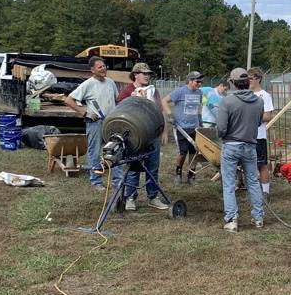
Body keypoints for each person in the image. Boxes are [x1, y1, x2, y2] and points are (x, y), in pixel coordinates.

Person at [115, 62, 169, 211]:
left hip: (153, 135)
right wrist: (132, 100)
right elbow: (119, 110)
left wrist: (164, 131)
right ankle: (130, 197)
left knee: (153, 168)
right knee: (133, 167)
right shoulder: (127, 91)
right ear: (135, 75)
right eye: (144, 73)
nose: (147, 76)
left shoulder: (153, 91)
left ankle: (153, 197)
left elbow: (160, 111)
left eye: (148, 74)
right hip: (136, 137)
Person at [217, 67, 265, 232]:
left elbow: (221, 128)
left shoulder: (227, 101)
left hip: (231, 145)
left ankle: (232, 220)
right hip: (251, 146)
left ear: (233, 83)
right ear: (247, 82)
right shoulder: (259, 101)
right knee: (253, 181)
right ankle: (258, 218)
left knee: (229, 183)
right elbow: (258, 123)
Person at [65, 56, 120, 190]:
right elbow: (69, 100)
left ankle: (117, 180)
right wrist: (84, 112)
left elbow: (117, 100)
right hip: (95, 123)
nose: (103, 68)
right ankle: (96, 182)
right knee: (94, 152)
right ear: (92, 70)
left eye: (104, 66)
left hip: (111, 122)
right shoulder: (88, 84)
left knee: (115, 150)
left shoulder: (110, 82)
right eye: (100, 67)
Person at [162, 71, 203, 185]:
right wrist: (170, 115)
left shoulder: (199, 92)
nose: (199, 84)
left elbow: (199, 108)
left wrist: (200, 121)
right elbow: (164, 101)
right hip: (181, 127)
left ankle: (191, 175)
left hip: (195, 127)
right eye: (197, 81)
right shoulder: (180, 92)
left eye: (200, 82)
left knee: (194, 152)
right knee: (182, 152)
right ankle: (178, 173)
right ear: (190, 81)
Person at [248, 67, 274, 201]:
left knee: (261, 164)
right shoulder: (246, 94)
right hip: (245, 137)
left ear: (258, 79)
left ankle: (265, 192)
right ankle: (252, 191)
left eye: (251, 79)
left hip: (259, 136)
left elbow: (268, 116)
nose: (248, 81)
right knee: (247, 165)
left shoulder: (264, 95)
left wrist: (252, 116)